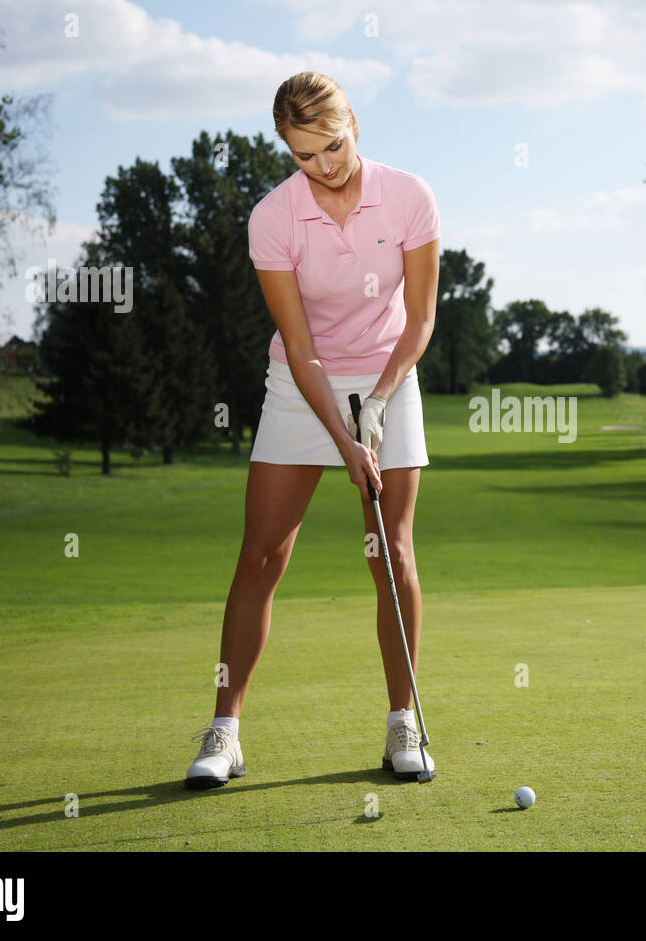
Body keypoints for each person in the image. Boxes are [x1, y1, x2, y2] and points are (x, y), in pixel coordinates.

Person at [185, 71, 440, 788]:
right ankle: (225, 731)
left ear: (354, 122)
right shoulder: (273, 217)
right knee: (261, 554)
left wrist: (381, 404)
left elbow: (419, 321)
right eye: (304, 155)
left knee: (389, 552)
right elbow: (299, 349)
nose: (324, 165)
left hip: (391, 374)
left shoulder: (411, 196)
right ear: (286, 152)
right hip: (305, 387)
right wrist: (344, 436)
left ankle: (402, 725)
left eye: (332, 144)